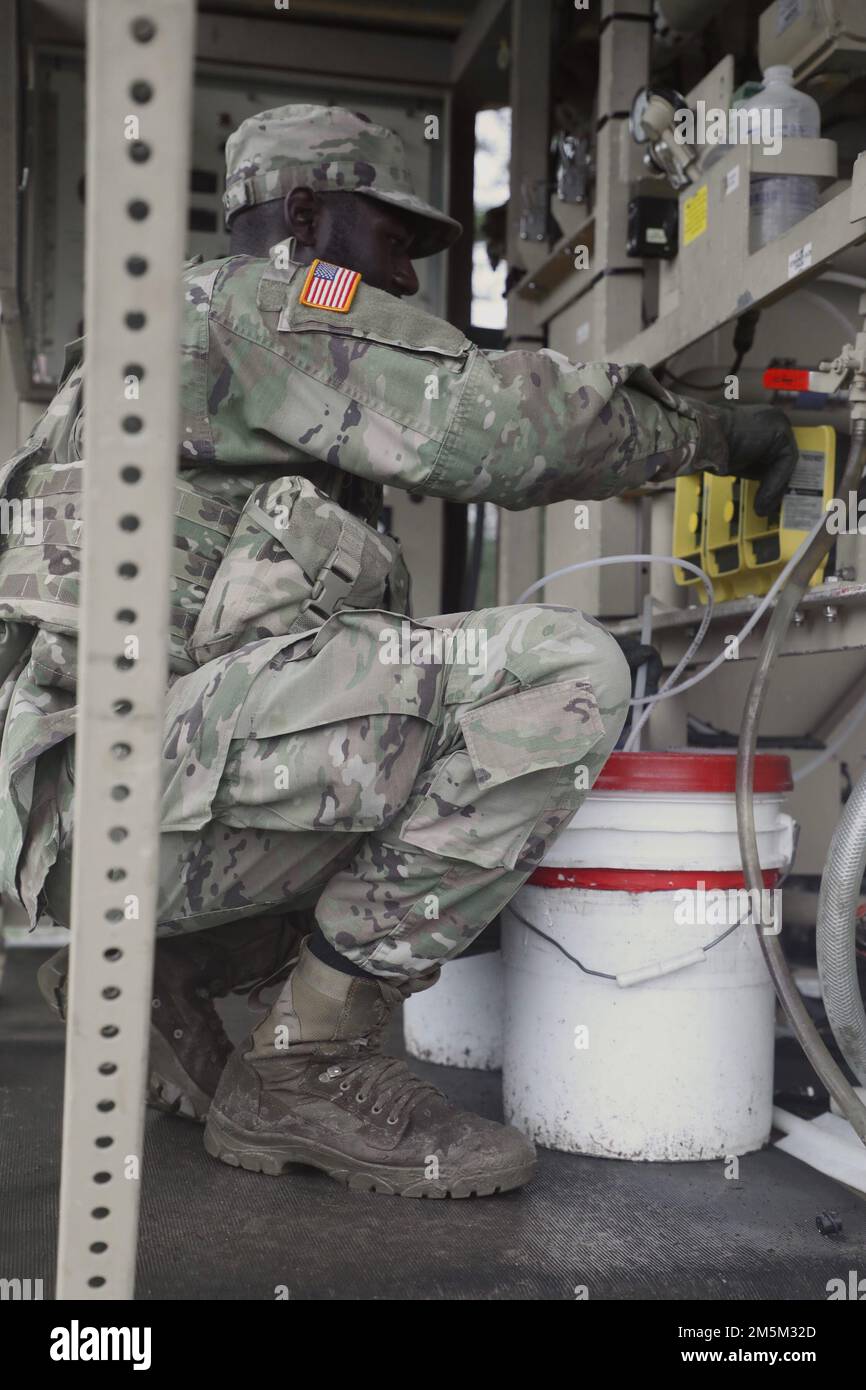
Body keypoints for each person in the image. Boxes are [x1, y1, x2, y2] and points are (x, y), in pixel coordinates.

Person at [1, 105, 798, 1196]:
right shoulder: (260, 304)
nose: (408, 284)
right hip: (134, 796)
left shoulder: (147, 342)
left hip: (82, 823)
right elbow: (495, 423)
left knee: (397, 733)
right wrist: (713, 433)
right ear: (300, 213)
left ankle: (147, 976)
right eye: (389, 241)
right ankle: (305, 1060)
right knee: (561, 676)